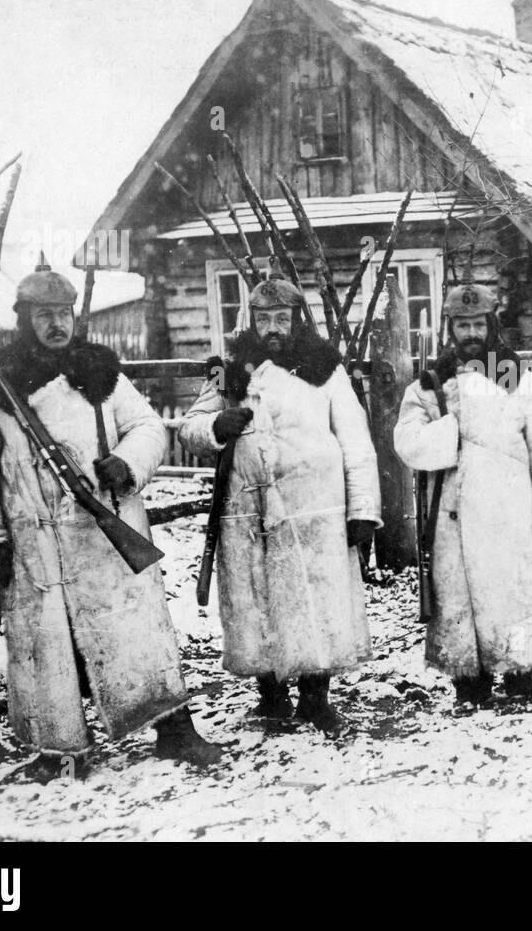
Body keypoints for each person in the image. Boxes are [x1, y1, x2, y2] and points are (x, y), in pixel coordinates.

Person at [0, 262, 220, 780]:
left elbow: (146, 426)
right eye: (44, 315)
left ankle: (173, 728)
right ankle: (59, 748)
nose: (56, 324)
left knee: (139, 632)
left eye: (63, 313)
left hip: (108, 530)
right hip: (37, 540)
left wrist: (128, 462)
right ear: (24, 319)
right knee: (49, 646)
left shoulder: (101, 372)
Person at [177, 275, 380, 734]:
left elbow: (357, 442)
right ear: (251, 320)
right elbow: (190, 428)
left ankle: (315, 697)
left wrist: (363, 509)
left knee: (316, 600)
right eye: (264, 318)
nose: (272, 327)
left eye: (281, 318)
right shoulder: (228, 371)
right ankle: (270, 696)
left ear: (296, 320)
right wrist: (216, 426)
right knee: (256, 599)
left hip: (315, 511)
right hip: (248, 512)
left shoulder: (326, 368)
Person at [394, 284, 532, 706]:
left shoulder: (516, 378)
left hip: (511, 513)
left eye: (479, 324)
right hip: (453, 516)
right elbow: (406, 440)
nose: (471, 333)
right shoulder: (431, 383)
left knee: (515, 593)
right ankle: (469, 679)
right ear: (450, 328)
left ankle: (522, 674)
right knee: (458, 598)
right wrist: (449, 430)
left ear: (492, 325)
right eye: (462, 325)